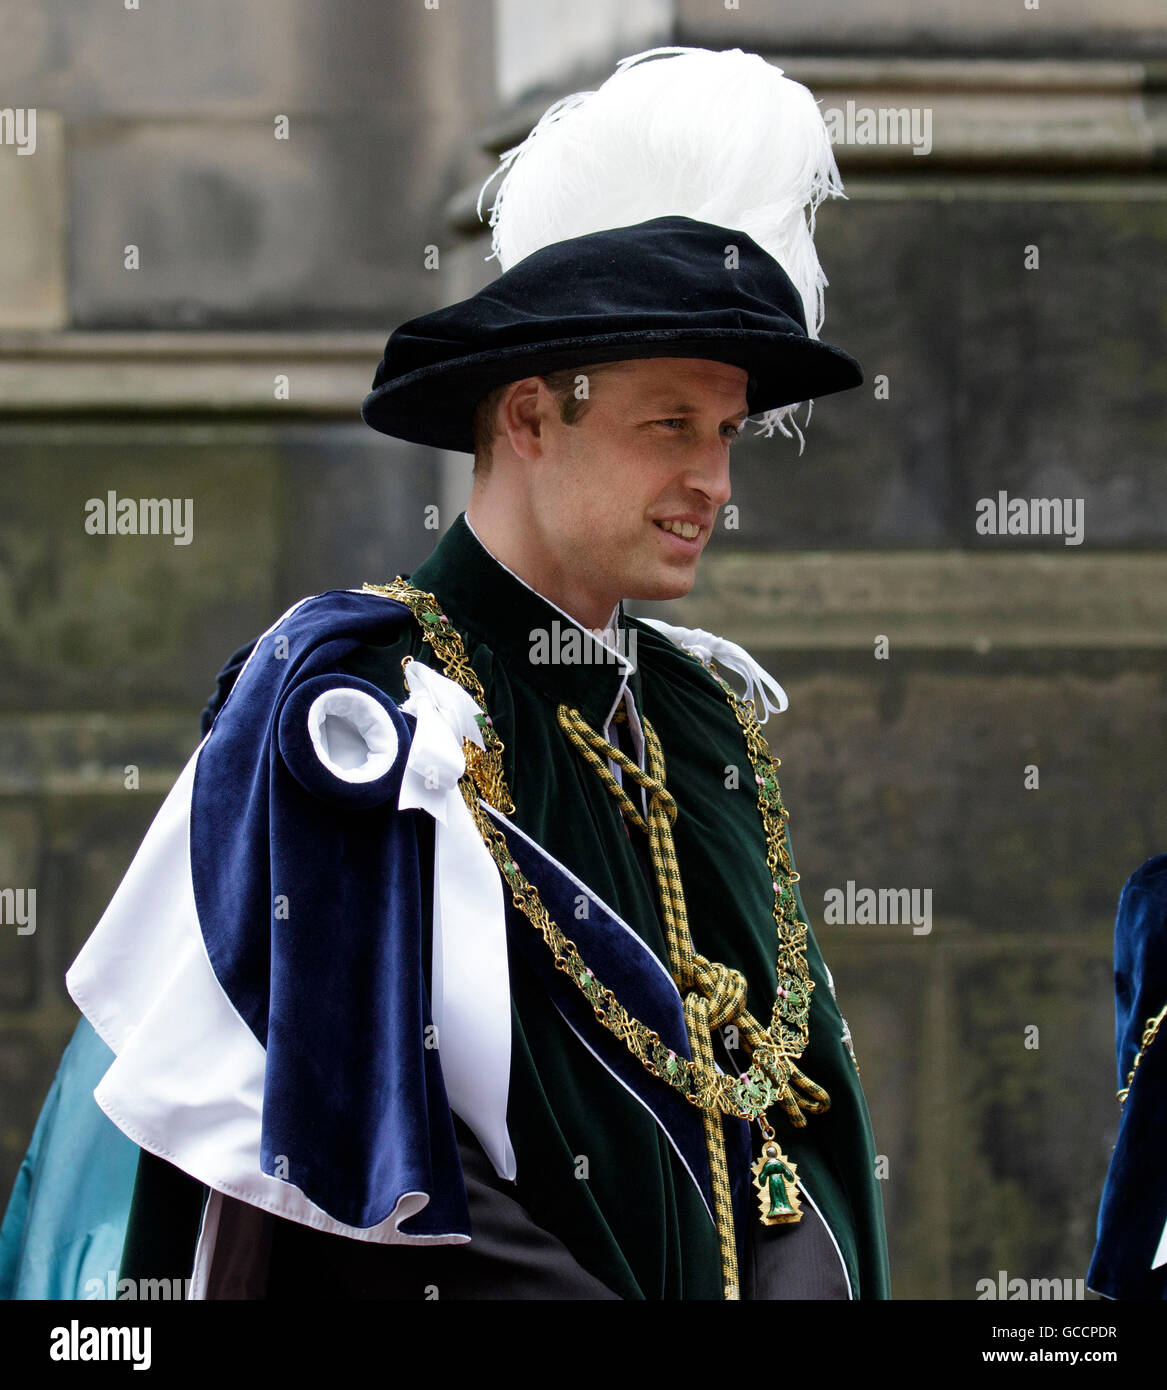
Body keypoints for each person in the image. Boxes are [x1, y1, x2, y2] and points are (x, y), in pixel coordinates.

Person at [6, 47, 890, 1301]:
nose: (717, 482)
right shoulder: (354, 705)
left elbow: (787, 1104)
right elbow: (361, 1171)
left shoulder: (697, 720)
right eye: (670, 427)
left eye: (728, 434)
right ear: (531, 417)